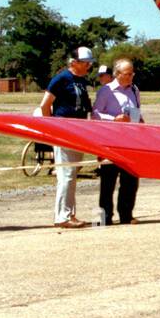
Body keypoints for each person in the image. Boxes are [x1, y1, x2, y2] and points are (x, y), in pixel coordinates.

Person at [39, 46, 94, 228]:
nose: (88, 66)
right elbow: (45, 105)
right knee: (66, 175)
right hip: (63, 131)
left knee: (72, 174)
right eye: (85, 63)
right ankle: (62, 216)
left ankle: (69, 214)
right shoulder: (62, 78)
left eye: (89, 63)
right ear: (74, 62)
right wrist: (52, 128)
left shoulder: (81, 80)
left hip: (78, 131)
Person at [92, 58, 143, 225]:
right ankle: (104, 218)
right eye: (127, 74)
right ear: (117, 74)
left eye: (132, 74)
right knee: (108, 181)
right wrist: (114, 119)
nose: (130, 77)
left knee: (130, 180)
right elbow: (96, 114)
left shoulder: (134, 90)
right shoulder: (106, 91)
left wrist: (139, 122)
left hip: (131, 140)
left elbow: (136, 112)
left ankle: (126, 215)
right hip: (110, 140)